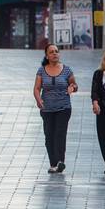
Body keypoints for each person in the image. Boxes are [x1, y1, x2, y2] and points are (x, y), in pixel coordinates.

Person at [33, 43, 77, 174]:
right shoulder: (41, 70)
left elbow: (74, 84)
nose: (55, 54)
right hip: (47, 109)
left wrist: (72, 88)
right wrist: (38, 99)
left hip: (63, 108)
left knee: (60, 134)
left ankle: (59, 162)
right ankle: (53, 163)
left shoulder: (67, 70)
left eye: (56, 51)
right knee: (49, 136)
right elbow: (36, 88)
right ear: (47, 55)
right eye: (51, 52)